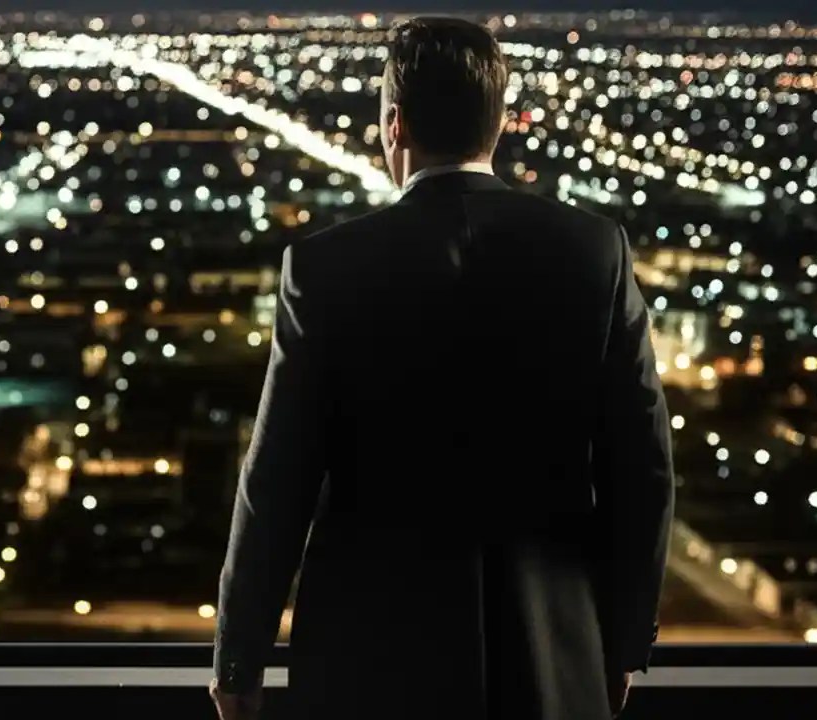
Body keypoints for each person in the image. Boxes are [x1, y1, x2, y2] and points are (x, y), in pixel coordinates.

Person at [209, 15, 675, 720]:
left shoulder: (326, 268)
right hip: (551, 655)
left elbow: (277, 481)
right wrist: (621, 645)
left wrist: (240, 659)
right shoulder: (594, 252)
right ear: (499, 124)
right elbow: (643, 471)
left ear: (395, 125)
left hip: (368, 661)